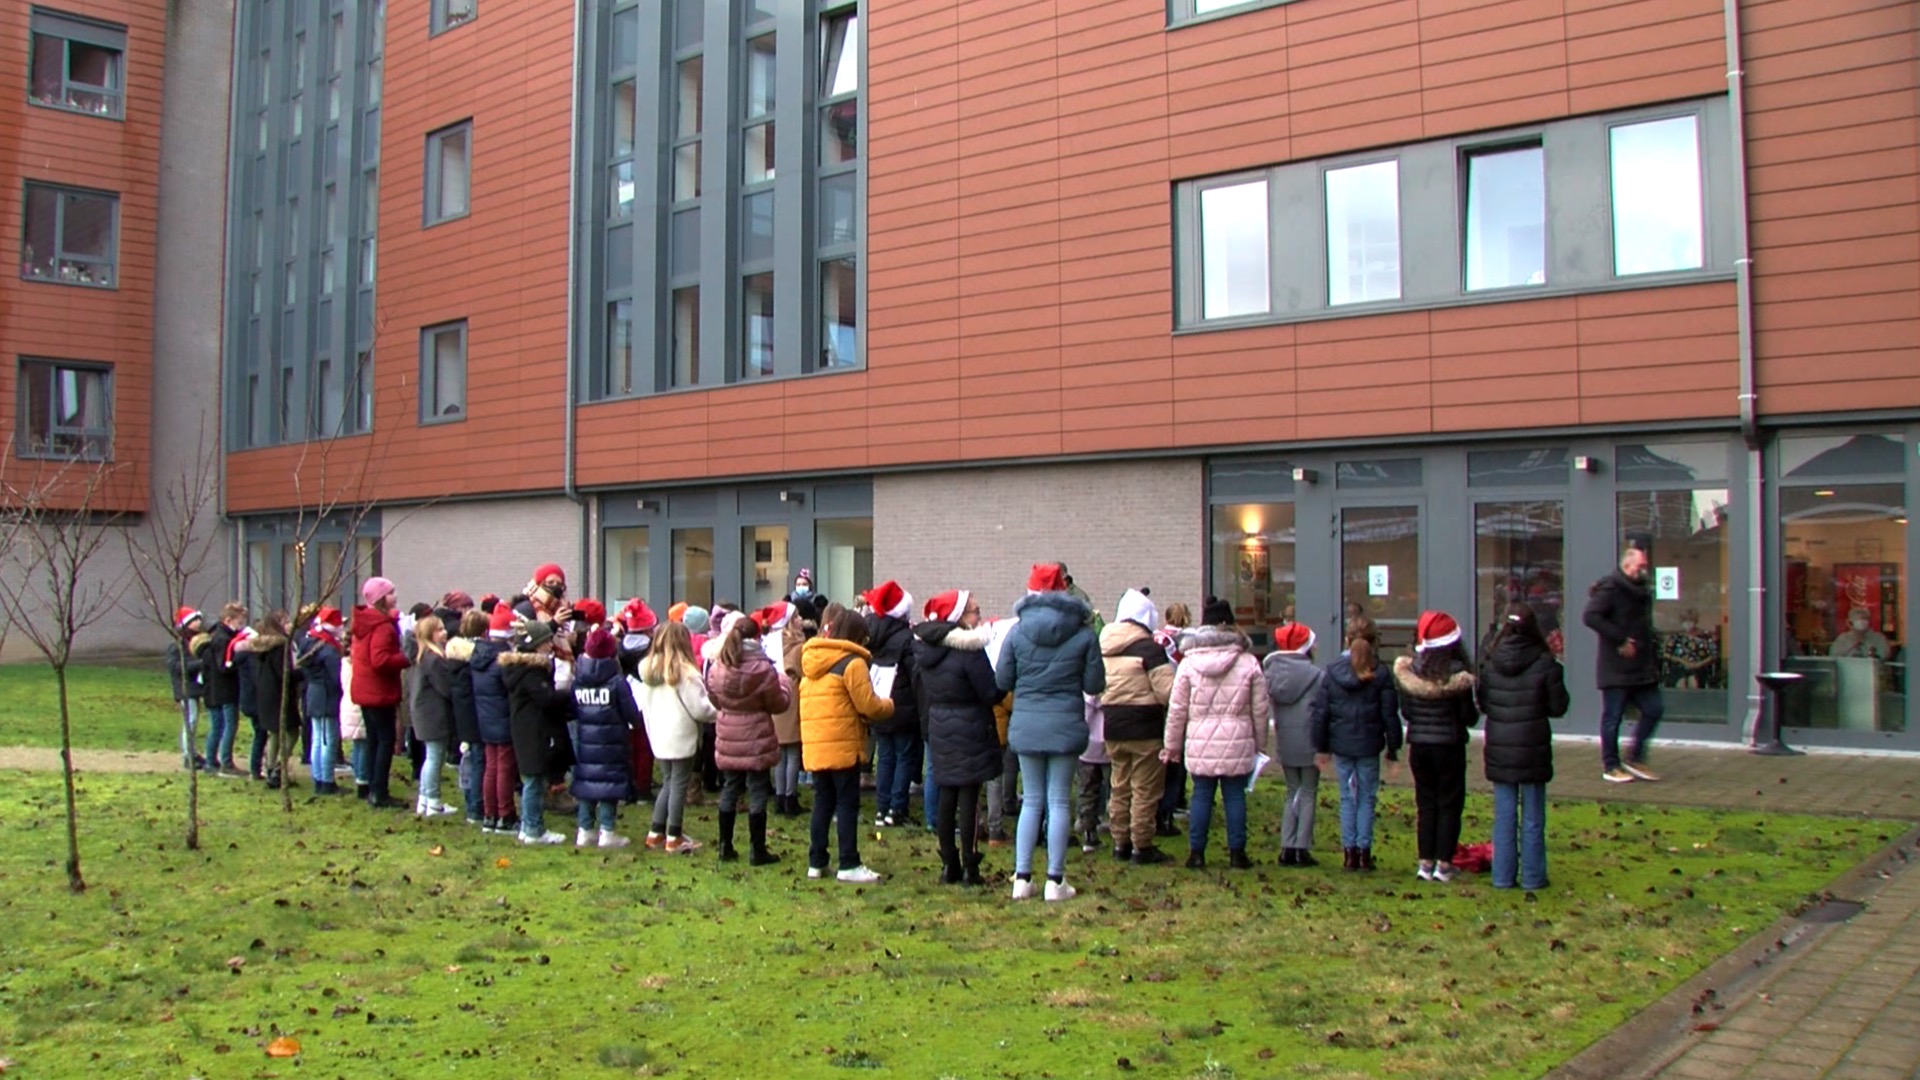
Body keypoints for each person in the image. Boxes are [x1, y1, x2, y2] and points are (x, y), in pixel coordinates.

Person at [996, 563, 1105, 902]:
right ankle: (1055, 880)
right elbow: (1094, 684)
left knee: (1031, 799)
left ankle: (1022, 876)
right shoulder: (1084, 632)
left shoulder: (1016, 632)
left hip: (1027, 724)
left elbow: (1002, 681)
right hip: (1065, 723)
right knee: (1059, 800)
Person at [1162, 606, 1267, 870]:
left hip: (1199, 738)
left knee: (1201, 795)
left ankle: (1196, 852)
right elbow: (1260, 709)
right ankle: (1237, 853)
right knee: (1234, 796)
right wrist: (1259, 742)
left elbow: (1177, 710)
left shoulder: (1188, 664)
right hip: (1238, 737)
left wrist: (1171, 746)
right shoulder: (1248, 662)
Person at [914, 589, 1004, 886]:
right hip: (971, 725)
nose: (979, 617)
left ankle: (948, 863)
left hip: (940, 725)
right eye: (974, 611)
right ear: (959, 617)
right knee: (969, 797)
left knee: (947, 794)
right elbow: (990, 692)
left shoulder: (927, 651)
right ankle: (970, 865)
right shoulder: (969, 651)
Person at [1477, 602, 1569, 891]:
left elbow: (1484, 703)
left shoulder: (1490, 663)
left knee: (1504, 815)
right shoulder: (1545, 663)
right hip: (1532, 744)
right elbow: (1559, 706)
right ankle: (1532, 877)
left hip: (1501, 744)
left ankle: (1502, 876)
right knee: (1532, 816)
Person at [800, 608, 895, 883]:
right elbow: (869, 705)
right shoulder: (852, 664)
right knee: (846, 804)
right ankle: (849, 862)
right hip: (843, 746)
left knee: (822, 803)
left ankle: (816, 861)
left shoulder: (811, 663)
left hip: (817, 746)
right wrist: (888, 705)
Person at [1393, 611, 1478, 883]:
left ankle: (1424, 862)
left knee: (1426, 803)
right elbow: (1468, 717)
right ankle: (1444, 863)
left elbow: (1406, 712)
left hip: (1419, 744)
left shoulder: (1411, 673)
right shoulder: (1457, 676)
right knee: (1450, 803)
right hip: (1449, 744)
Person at [705, 612, 791, 865]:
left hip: (728, 733)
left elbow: (713, 698)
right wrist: (784, 682)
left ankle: (725, 845)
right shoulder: (763, 669)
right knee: (757, 789)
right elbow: (779, 704)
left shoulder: (719, 666)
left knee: (730, 788)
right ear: (757, 637)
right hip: (755, 735)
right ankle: (757, 849)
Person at [1099, 588, 1176, 865]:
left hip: (1113, 726)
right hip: (1145, 728)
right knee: (1145, 788)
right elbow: (1167, 692)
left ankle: (1120, 842)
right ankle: (1141, 845)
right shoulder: (1150, 650)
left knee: (1119, 785)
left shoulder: (1104, 646)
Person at [1316, 623, 1400, 871]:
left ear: (1346, 639)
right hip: (1369, 742)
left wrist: (1322, 746)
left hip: (1342, 742)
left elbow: (1322, 712)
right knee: (1366, 797)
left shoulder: (1333, 672)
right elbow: (1389, 714)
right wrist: (1393, 747)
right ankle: (1364, 851)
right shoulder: (1381, 673)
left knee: (1346, 796)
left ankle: (1349, 851)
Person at [1583, 546, 1663, 783]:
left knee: (1654, 708)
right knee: (1613, 717)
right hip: (1616, 666)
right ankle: (1611, 765)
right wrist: (1619, 639)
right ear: (1627, 566)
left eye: (1645, 566)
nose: (1644, 570)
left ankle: (1635, 757)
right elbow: (1590, 616)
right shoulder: (1611, 588)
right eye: (1640, 566)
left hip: (1641, 667)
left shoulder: (1641, 591)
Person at [635, 621, 714, 853]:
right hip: (681, 736)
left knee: (669, 784)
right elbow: (700, 709)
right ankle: (674, 835)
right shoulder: (686, 674)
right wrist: (719, 711)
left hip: (659, 736)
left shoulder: (648, 671)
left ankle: (656, 832)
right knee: (678, 785)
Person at [571, 627, 643, 848]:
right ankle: (608, 831)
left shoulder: (579, 680)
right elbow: (630, 712)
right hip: (612, 740)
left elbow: (573, 709)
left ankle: (584, 830)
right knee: (608, 784)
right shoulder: (616, 682)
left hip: (585, 740)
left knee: (586, 783)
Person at [501, 620, 570, 844]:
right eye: (547, 641)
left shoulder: (518, 670)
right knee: (534, 782)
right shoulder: (532, 672)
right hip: (533, 730)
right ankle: (533, 828)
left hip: (525, 729)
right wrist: (566, 694)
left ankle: (529, 825)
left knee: (532, 779)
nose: (551, 644)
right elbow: (546, 699)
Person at [1262, 623, 1326, 867]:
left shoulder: (1272, 673)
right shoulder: (1316, 675)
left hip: (1285, 738)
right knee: (1308, 792)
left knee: (1292, 792)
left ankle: (1286, 846)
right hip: (1309, 738)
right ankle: (1302, 847)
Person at [862, 580, 920, 829]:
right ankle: (897, 809)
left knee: (884, 758)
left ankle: (881, 808)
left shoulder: (870, 634)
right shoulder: (907, 638)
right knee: (904, 756)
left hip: (878, 701)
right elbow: (914, 672)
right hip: (903, 705)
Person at [351, 577, 411, 809]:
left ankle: (368, 785)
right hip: (379, 691)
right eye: (391, 593)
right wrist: (405, 658)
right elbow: (380, 660)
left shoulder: (365, 623)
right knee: (385, 740)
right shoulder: (382, 626)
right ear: (380, 598)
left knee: (374, 739)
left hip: (365, 689)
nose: (394, 596)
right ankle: (379, 791)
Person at [757, 601, 808, 817]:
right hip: (792, 698)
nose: (800, 621)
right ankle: (790, 797)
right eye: (796, 617)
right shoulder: (797, 647)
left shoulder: (768, 643)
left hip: (774, 698)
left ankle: (779, 797)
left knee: (780, 753)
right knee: (793, 751)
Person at [471, 602, 519, 833]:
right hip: (503, 718)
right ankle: (505, 813)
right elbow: (511, 688)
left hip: (485, 719)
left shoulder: (479, 658)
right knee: (504, 768)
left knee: (491, 766)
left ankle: (490, 814)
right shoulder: (504, 662)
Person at [410, 615, 461, 818]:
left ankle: (425, 798)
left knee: (431, 756)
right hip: (433, 714)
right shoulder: (434, 658)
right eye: (439, 630)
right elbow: (446, 687)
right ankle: (433, 800)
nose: (445, 632)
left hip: (425, 713)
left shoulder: (424, 657)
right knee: (434, 757)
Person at [243, 611, 297, 789]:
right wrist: (301, 674)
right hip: (280, 693)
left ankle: (270, 767)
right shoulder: (281, 645)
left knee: (274, 732)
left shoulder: (259, 646)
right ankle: (278, 768)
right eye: (286, 621)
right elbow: (285, 672)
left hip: (264, 693)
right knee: (291, 731)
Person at [298, 607, 347, 794]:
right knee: (328, 739)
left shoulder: (307, 642)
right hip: (327, 695)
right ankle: (327, 781)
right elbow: (336, 676)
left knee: (317, 738)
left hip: (313, 692)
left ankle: (318, 778)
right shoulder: (329, 650)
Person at [447, 609, 486, 821]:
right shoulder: (474, 659)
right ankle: (476, 805)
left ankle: (470, 800)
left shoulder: (453, 656)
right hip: (475, 715)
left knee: (468, 758)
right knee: (478, 759)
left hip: (462, 715)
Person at [199, 603, 247, 776]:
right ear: (229, 620)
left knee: (217, 726)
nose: (241, 627)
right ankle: (225, 762)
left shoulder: (218, 636)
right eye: (240, 622)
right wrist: (242, 656)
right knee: (228, 726)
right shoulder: (223, 639)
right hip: (225, 690)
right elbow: (224, 666)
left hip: (215, 689)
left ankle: (212, 761)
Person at [166, 607, 206, 770]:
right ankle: (188, 755)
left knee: (193, 721)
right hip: (185, 689)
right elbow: (176, 667)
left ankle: (192, 753)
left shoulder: (195, 642)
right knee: (190, 720)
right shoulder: (178, 646)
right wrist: (199, 664)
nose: (198, 623)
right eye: (194, 620)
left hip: (193, 688)